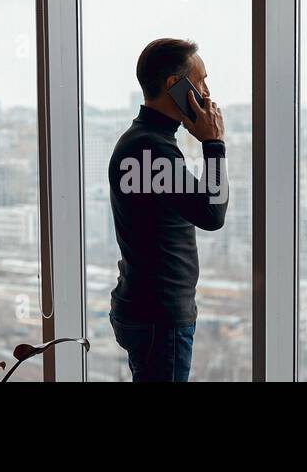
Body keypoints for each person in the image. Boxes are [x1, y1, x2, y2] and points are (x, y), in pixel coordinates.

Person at [107, 38, 228, 382]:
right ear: (176, 86)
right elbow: (212, 213)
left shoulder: (142, 141)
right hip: (159, 315)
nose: (207, 92)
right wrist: (214, 144)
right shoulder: (152, 149)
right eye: (201, 80)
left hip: (145, 305)